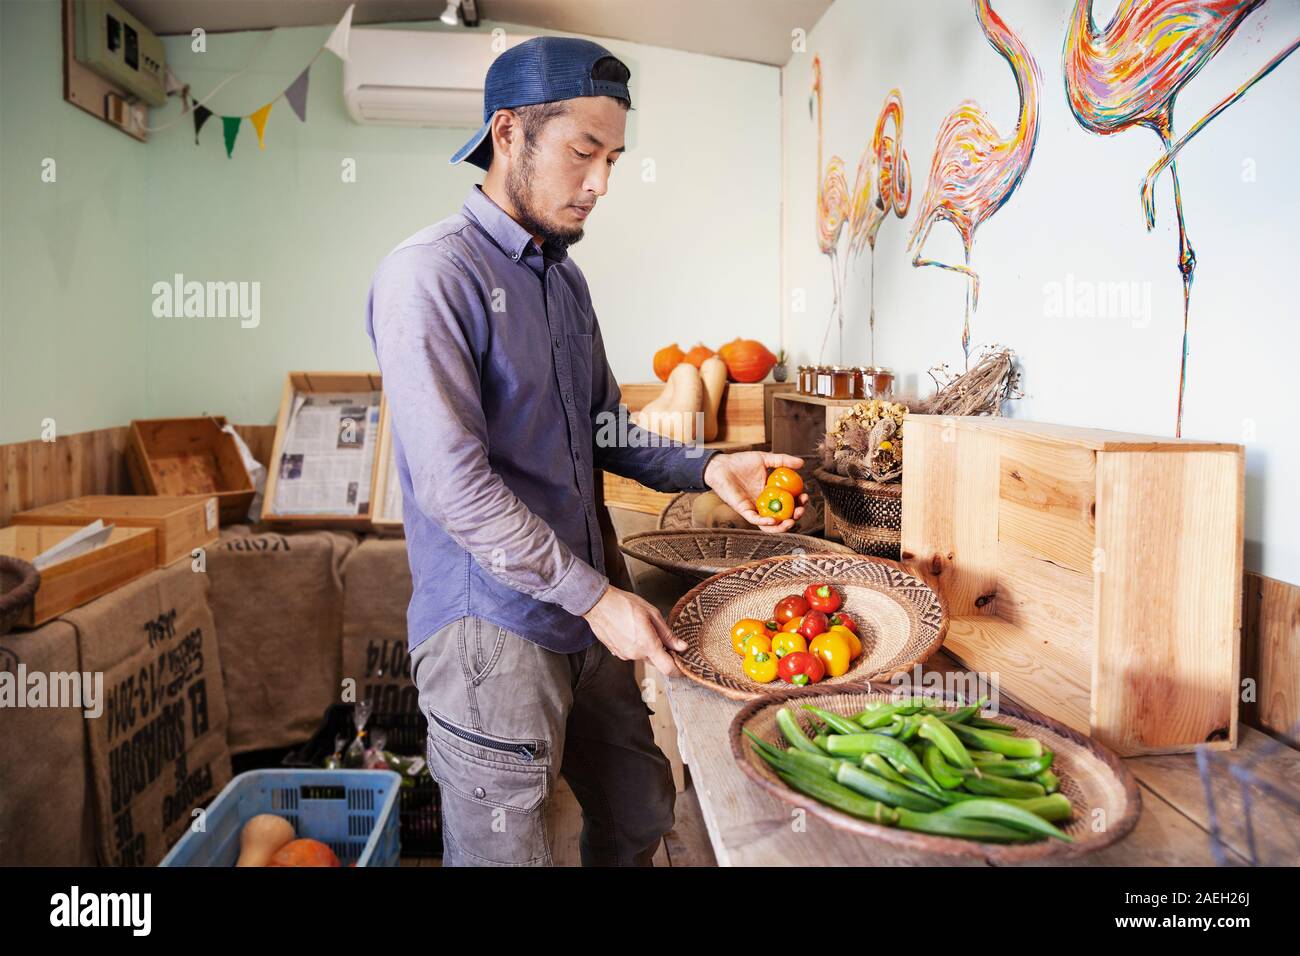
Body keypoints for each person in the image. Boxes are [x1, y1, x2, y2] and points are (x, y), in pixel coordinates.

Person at [364, 35, 806, 867]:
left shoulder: (561, 279)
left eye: (614, 157)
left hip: (589, 611)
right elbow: (456, 490)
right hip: (491, 634)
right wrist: (598, 599)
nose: (602, 182)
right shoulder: (428, 276)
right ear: (507, 134)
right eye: (583, 152)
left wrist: (709, 465)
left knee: (640, 814)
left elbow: (606, 426)